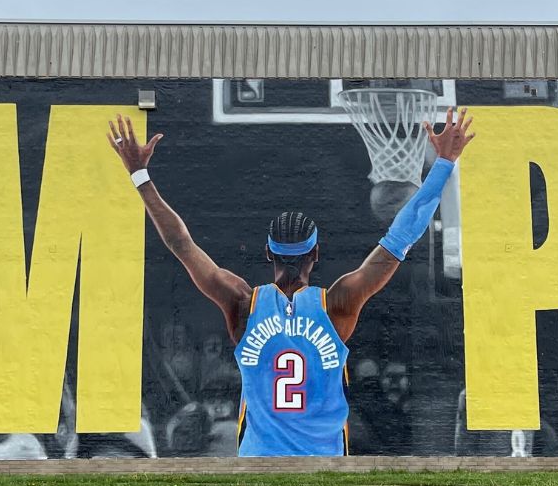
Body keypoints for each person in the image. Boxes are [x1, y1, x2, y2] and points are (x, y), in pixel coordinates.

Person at [107, 108, 475, 456]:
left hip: (260, 465)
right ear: (315, 254)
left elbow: (181, 244)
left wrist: (140, 175)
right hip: (323, 465)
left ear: (268, 253)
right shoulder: (338, 304)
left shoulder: (242, 303)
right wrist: (444, 163)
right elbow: (400, 238)